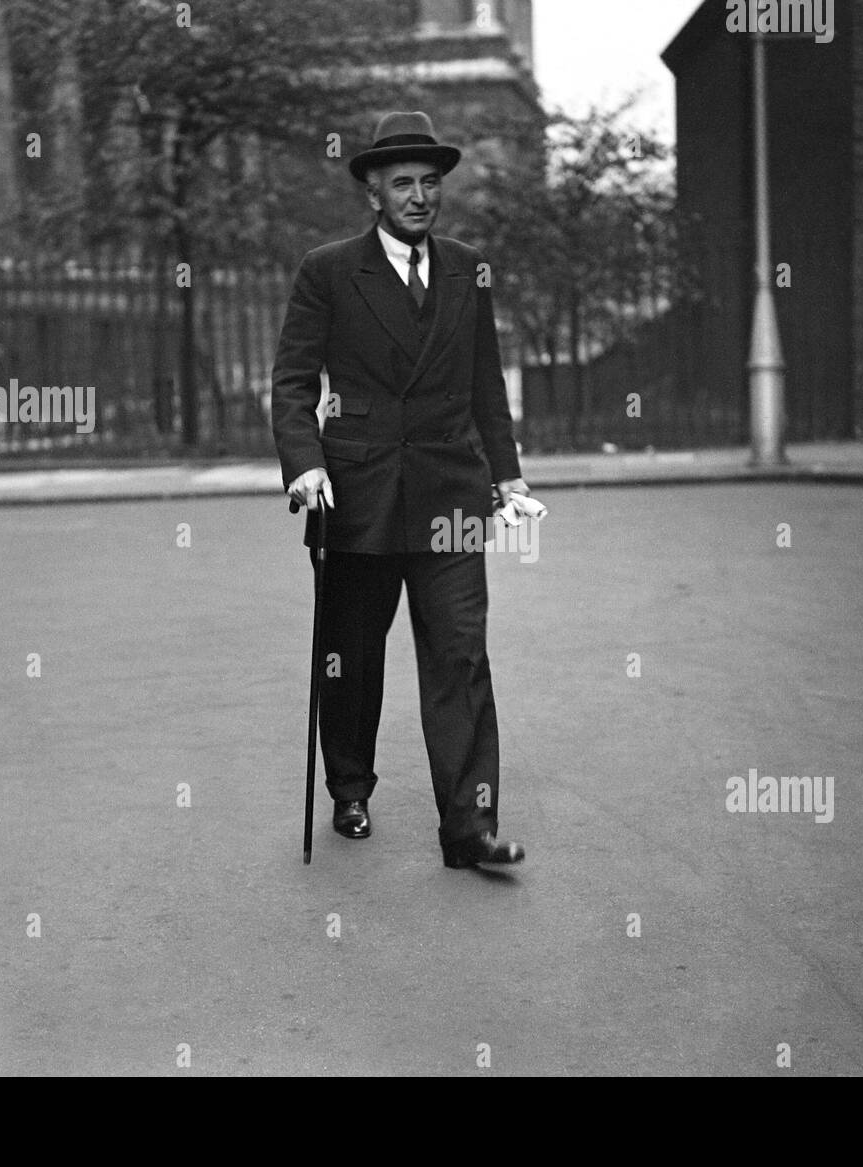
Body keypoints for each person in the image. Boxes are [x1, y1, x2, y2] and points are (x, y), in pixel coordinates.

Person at [271, 111, 528, 869]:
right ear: (374, 195)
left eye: (430, 183)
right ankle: (350, 785)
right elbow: (292, 381)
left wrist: (507, 472)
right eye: (404, 184)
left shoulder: (466, 267)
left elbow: (487, 379)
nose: (420, 196)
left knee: (460, 654)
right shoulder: (328, 269)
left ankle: (469, 828)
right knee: (352, 654)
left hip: (451, 492)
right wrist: (304, 463)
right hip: (357, 492)